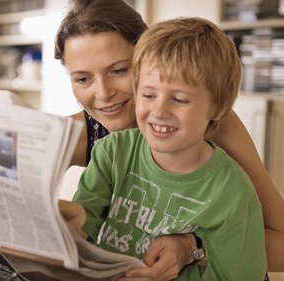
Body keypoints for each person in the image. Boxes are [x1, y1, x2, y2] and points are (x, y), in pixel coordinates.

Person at [0, 0, 284, 278]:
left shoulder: (206, 123)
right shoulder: (91, 136)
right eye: (83, 79)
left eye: (119, 70)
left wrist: (194, 245)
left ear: (148, 60)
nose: (104, 94)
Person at [72, 17, 267, 280]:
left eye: (179, 99)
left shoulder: (232, 191)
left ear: (218, 108)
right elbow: (83, 223)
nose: (159, 111)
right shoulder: (112, 151)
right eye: (148, 95)